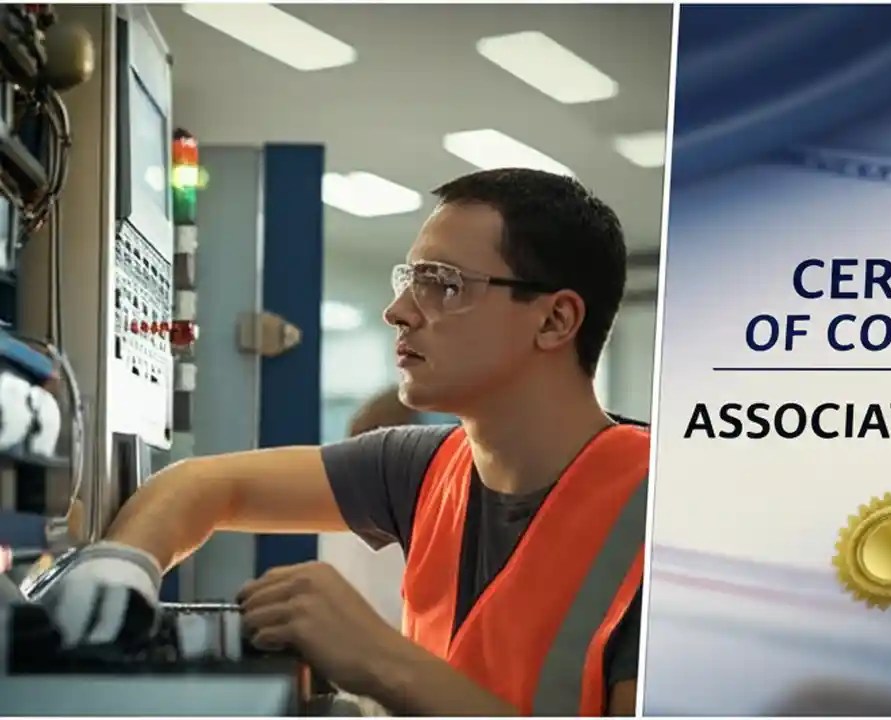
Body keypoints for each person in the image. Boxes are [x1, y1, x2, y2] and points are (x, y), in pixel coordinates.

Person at [36, 168, 648, 717]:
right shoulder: (422, 470)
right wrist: (123, 571)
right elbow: (203, 485)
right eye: (409, 279)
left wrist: (383, 663)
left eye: (443, 284)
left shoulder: (667, 517)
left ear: (554, 320)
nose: (398, 311)